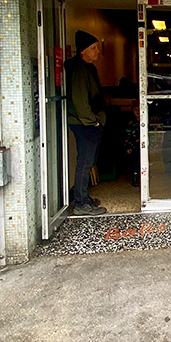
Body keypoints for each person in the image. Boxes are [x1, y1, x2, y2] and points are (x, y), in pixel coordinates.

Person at [65, 30, 107, 215]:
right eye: (94, 48)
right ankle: (81, 203)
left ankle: (83, 197)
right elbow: (81, 102)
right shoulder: (79, 70)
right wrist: (94, 122)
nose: (97, 51)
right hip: (85, 123)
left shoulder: (89, 67)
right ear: (83, 51)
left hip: (89, 122)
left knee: (89, 161)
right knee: (85, 162)